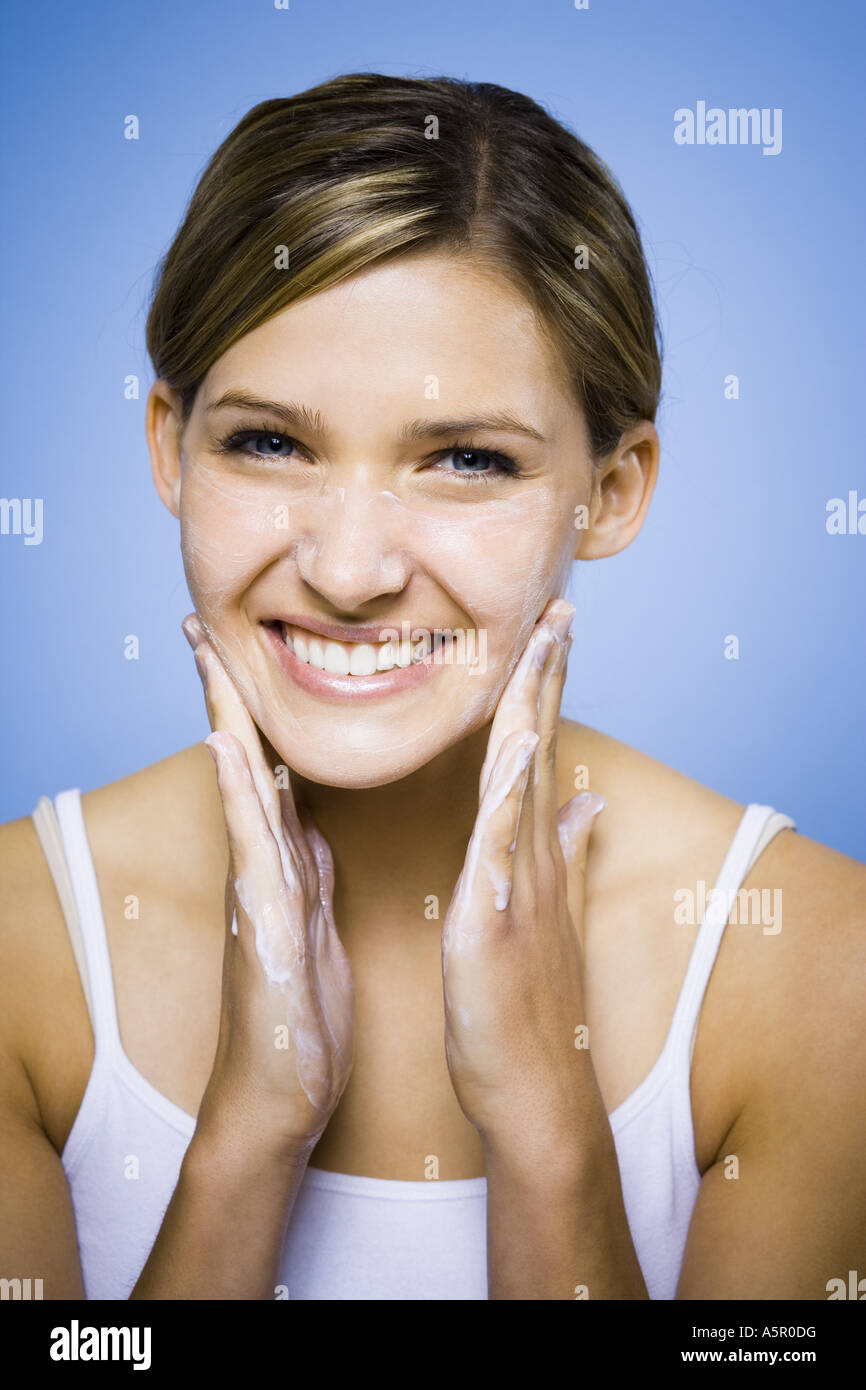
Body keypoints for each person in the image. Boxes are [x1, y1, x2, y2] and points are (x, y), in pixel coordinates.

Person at [1, 72, 863, 1302]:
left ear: (611, 491)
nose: (349, 573)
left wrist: (551, 1138)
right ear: (168, 449)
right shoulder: (15, 945)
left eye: (465, 459)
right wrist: (248, 1133)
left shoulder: (821, 972)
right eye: (268, 442)